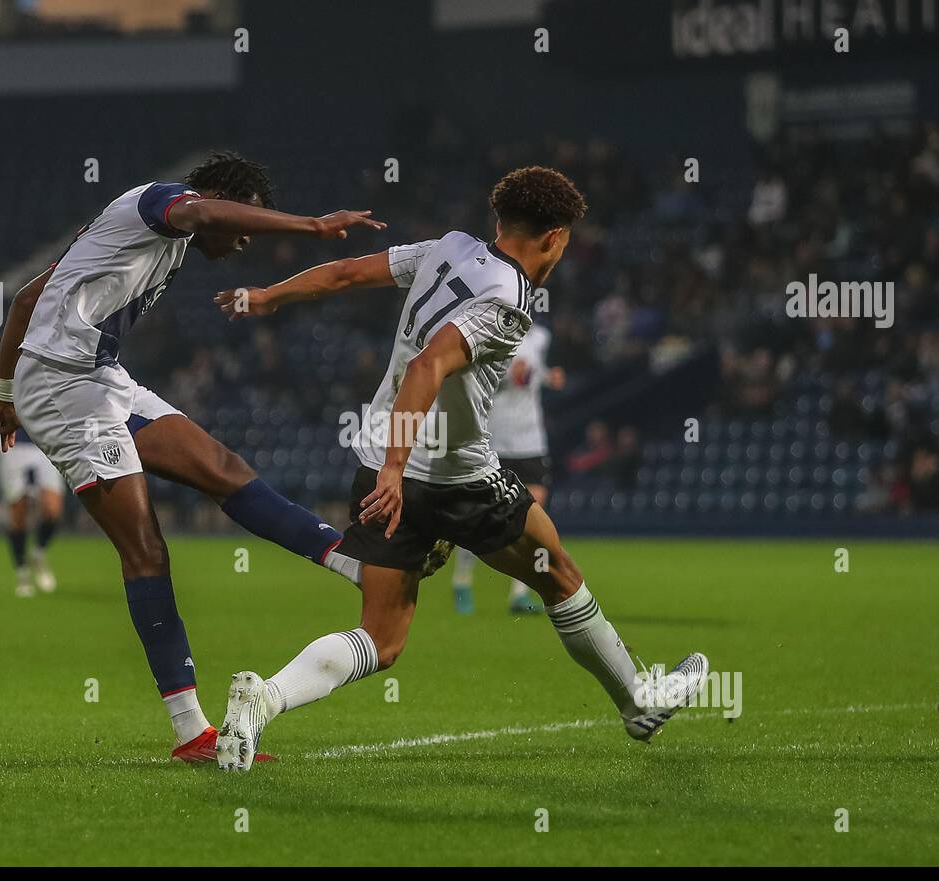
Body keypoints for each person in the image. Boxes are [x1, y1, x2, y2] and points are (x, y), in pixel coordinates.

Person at [211, 166, 709, 771]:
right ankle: (637, 702)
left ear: (500, 222)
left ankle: (262, 700)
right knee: (559, 575)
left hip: (376, 466)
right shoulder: (510, 299)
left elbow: (345, 274)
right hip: (453, 476)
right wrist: (400, 468)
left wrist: (265, 296)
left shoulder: (445, 248)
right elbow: (427, 367)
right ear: (554, 238)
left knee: (380, 639)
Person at [0, 151, 388, 763]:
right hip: (65, 389)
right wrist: (310, 226)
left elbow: (23, 301)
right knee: (145, 548)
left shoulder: (149, 243)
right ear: (217, 201)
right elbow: (197, 208)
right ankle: (190, 730)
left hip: (99, 378)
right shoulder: (157, 202)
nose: (247, 236)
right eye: (245, 220)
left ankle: (355, 564)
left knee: (222, 470)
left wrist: (4, 394)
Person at [451, 320, 565, 615]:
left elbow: (534, 373)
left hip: (530, 438)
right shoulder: (489, 331)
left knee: (531, 513)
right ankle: (462, 582)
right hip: (494, 436)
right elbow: (472, 379)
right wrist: (504, 379)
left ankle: (520, 592)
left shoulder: (541, 336)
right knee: (479, 514)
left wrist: (548, 376)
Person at [0, 358, 65, 597]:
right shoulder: (1, 354)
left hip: (44, 439)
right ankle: (21, 572)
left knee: (52, 510)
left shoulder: (52, 348)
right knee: (19, 512)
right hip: (14, 440)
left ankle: (38, 553)